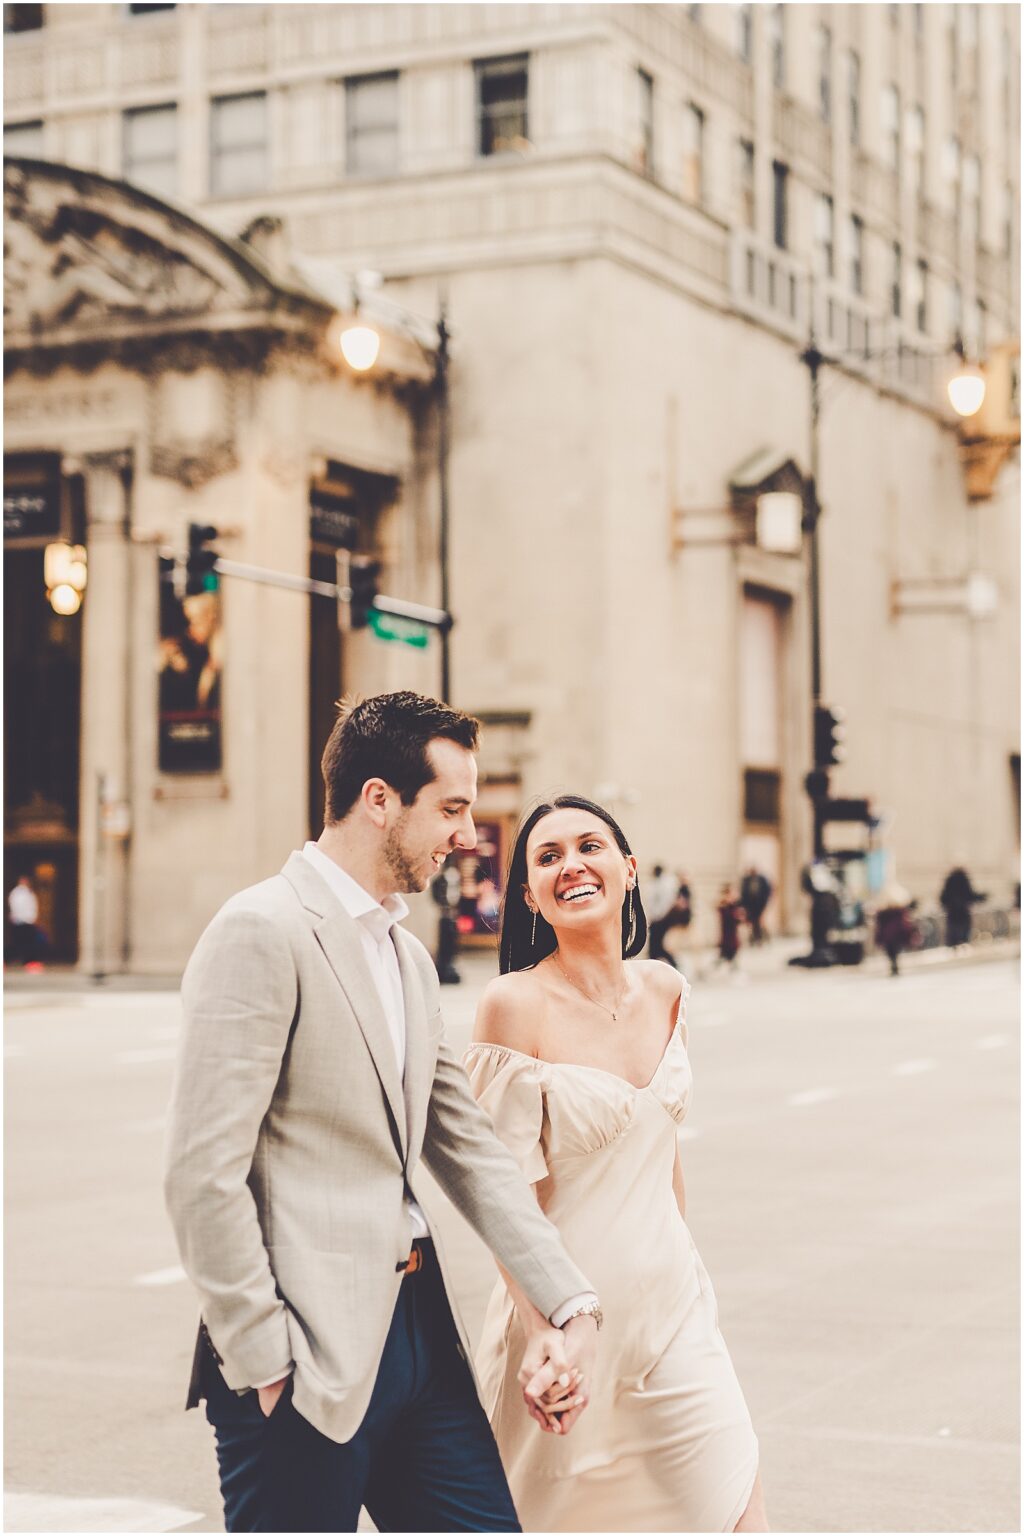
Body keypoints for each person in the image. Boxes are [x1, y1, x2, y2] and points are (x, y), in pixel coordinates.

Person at [164, 694, 600, 1535]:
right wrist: (260, 1357)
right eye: (452, 809)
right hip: (302, 1358)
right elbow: (199, 1174)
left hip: (417, 1341)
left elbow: (464, 1145)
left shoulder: (403, 953)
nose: (466, 835)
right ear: (378, 800)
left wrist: (567, 1299)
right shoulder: (262, 929)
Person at [464, 795, 766, 1533]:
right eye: (547, 857)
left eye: (589, 846)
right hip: (565, 1335)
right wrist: (544, 1331)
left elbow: (662, 1152)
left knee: (735, 1508)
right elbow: (503, 1199)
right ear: (531, 894)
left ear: (628, 870)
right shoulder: (512, 1007)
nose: (571, 865)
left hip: (674, 1318)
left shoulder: (666, 989)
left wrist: (685, 1267)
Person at [873, 883, 916, 976]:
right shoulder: (898, 911)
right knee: (894, 951)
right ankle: (894, 965)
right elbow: (905, 923)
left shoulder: (885, 912)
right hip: (895, 934)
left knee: (891, 952)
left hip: (889, 935)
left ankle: (894, 965)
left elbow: (879, 925)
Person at [7, 873, 48, 969]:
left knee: (28, 943)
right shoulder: (17, 893)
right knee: (20, 942)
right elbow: (17, 907)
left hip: (28, 921)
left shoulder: (29, 892)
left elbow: (32, 907)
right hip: (21, 921)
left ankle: (29, 961)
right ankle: (7, 959)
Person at [939, 866, 987, 949]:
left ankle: (954, 949)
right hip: (963, 914)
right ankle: (962, 948)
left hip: (952, 915)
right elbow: (971, 896)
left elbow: (943, 899)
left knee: (953, 938)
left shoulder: (949, 883)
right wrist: (981, 897)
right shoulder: (964, 881)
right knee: (964, 937)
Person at [646, 863, 679, 963]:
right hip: (659, 919)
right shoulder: (659, 884)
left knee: (656, 945)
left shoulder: (663, 885)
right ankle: (658, 962)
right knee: (656, 945)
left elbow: (664, 904)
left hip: (660, 919)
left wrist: (658, 917)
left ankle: (671, 962)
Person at [715, 883, 746, 971]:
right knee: (725, 956)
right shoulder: (724, 906)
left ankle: (733, 969)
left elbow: (739, 919)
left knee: (729, 957)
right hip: (727, 938)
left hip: (733, 937)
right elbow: (729, 918)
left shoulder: (734, 905)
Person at [739, 867, 772, 946]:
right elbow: (743, 893)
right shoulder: (746, 880)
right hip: (750, 905)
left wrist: (764, 904)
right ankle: (754, 938)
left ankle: (761, 937)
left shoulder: (762, 880)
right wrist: (744, 905)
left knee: (759, 922)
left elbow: (767, 892)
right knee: (752, 923)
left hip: (760, 905)